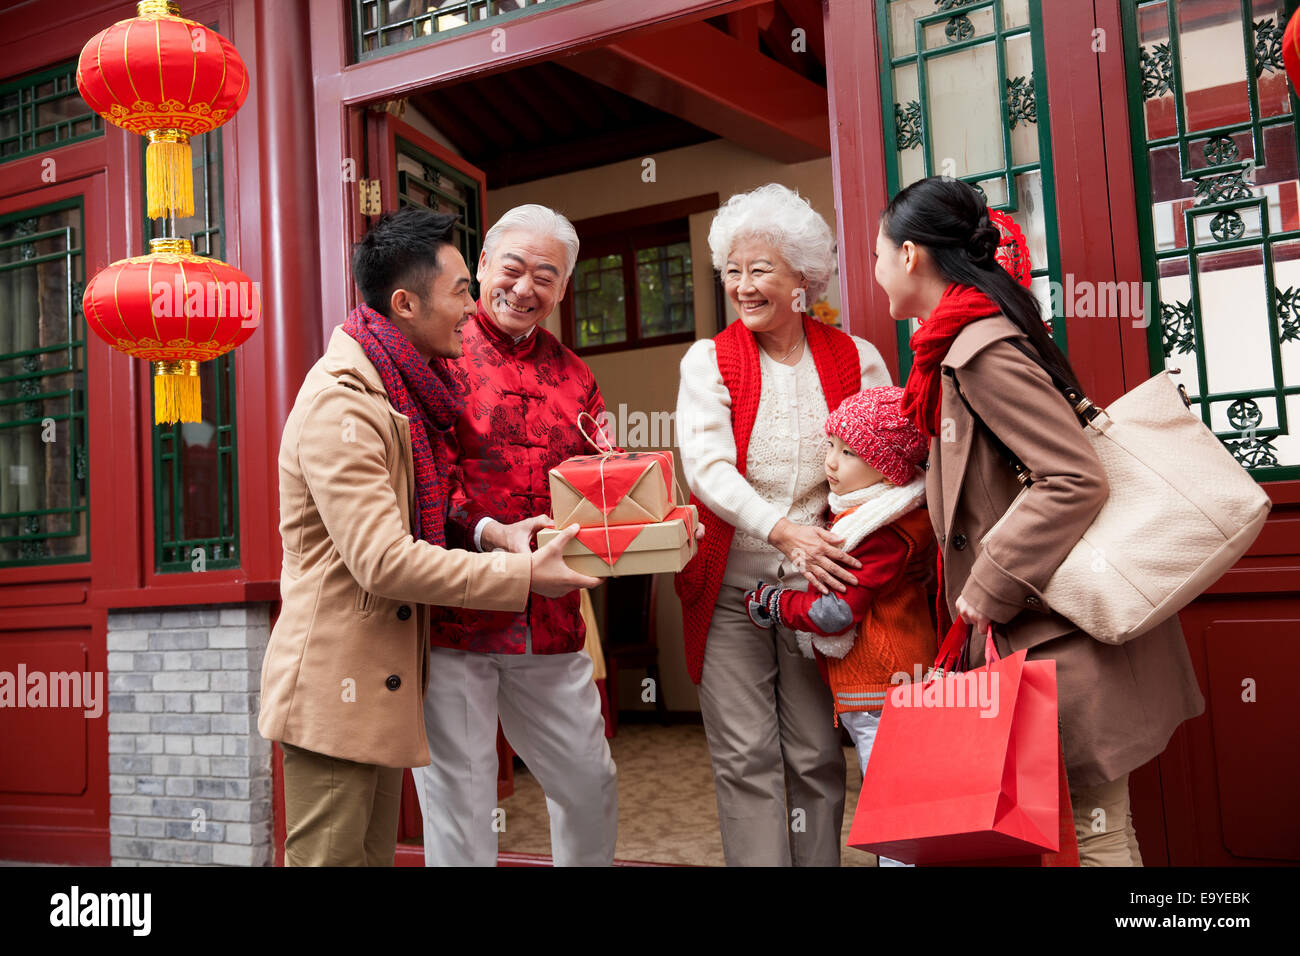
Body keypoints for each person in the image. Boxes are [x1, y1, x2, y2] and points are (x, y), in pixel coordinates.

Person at [873, 175, 1205, 866]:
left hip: (1060, 636)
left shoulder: (978, 352)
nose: (875, 275)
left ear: (910, 256)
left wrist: (986, 584)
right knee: (1082, 831)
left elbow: (1074, 478)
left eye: (878, 255)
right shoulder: (956, 350)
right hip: (1043, 635)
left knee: (1094, 831)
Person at [258, 206, 597, 866]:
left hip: (381, 681)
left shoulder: (403, 388)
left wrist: (496, 532)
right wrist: (523, 574)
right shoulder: (347, 401)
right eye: (463, 290)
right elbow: (383, 560)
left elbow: (434, 511)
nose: (472, 310)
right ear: (407, 303)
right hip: (341, 686)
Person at [675, 183, 894, 867]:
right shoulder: (708, 361)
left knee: (813, 752)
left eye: (760, 269)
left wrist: (844, 547)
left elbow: (891, 465)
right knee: (746, 756)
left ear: (803, 277)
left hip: (818, 585)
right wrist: (782, 531)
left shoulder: (855, 358)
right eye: (733, 271)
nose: (742, 286)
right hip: (731, 581)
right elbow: (706, 470)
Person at [414, 204, 617, 867]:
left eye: (546, 276)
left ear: (562, 289)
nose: (526, 288)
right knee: (462, 807)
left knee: (590, 784)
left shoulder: (577, 376)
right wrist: (490, 532)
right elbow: (424, 479)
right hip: (457, 617)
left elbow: (600, 479)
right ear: (481, 267)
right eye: (513, 268)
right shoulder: (436, 353)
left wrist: (652, 517)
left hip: (551, 619)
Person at [742, 385, 935, 867]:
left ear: (887, 469)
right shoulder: (866, 514)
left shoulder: (879, 534)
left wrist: (776, 603)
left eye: (849, 453)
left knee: (894, 810)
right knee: (899, 799)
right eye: (831, 445)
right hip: (879, 686)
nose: (831, 461)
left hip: (882, 687)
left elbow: (835, 614)